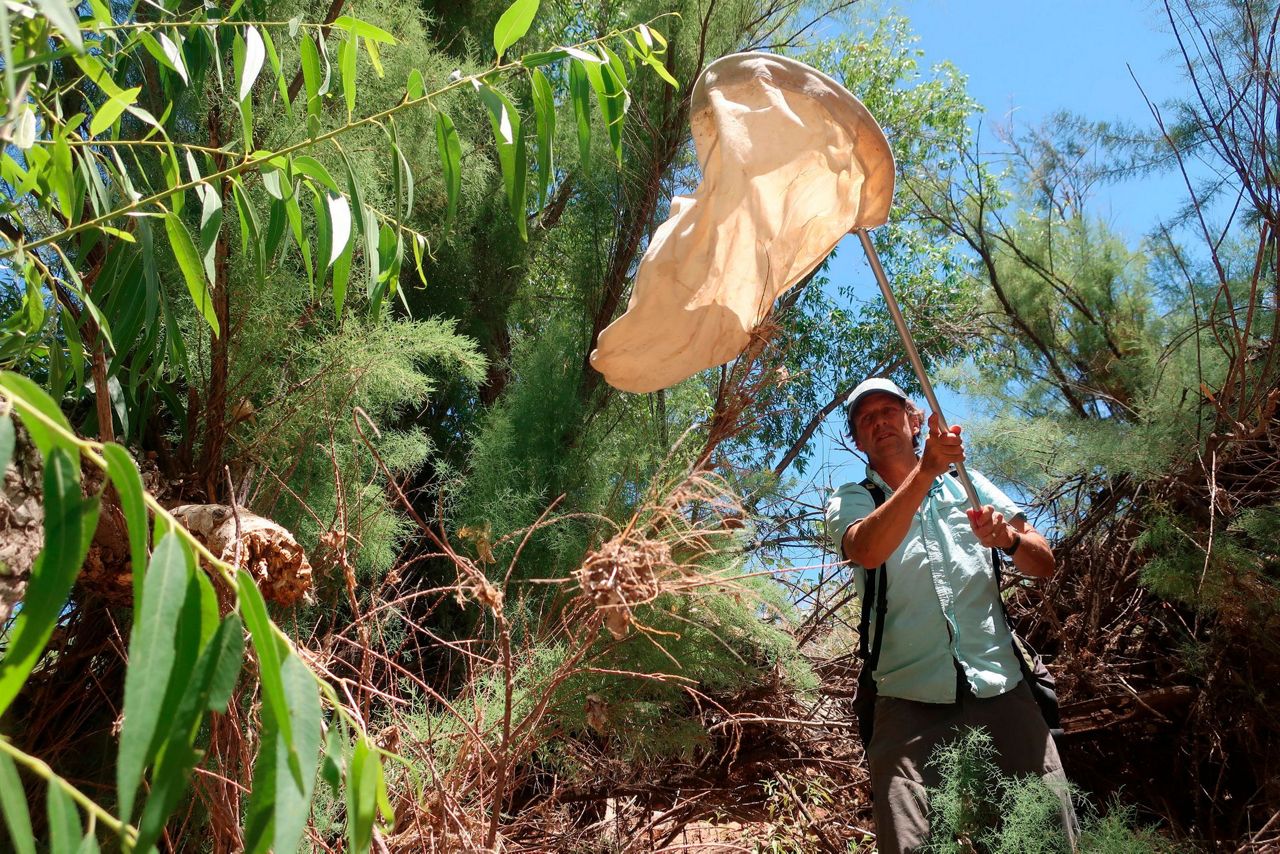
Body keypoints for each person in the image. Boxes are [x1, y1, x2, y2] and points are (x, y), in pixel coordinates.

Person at [825, 377, 1076, 853]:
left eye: (888, 410)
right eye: (865, 418)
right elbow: (866, 550)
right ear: (857, 440)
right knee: (908, 842)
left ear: (914, 419)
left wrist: (1009, 540)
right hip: (905, 694)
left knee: (1046, 832)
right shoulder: (854, 497)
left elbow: (1043, 561)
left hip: (1000, 682)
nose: (879, 422)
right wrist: (925, 471)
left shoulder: (968, 483)